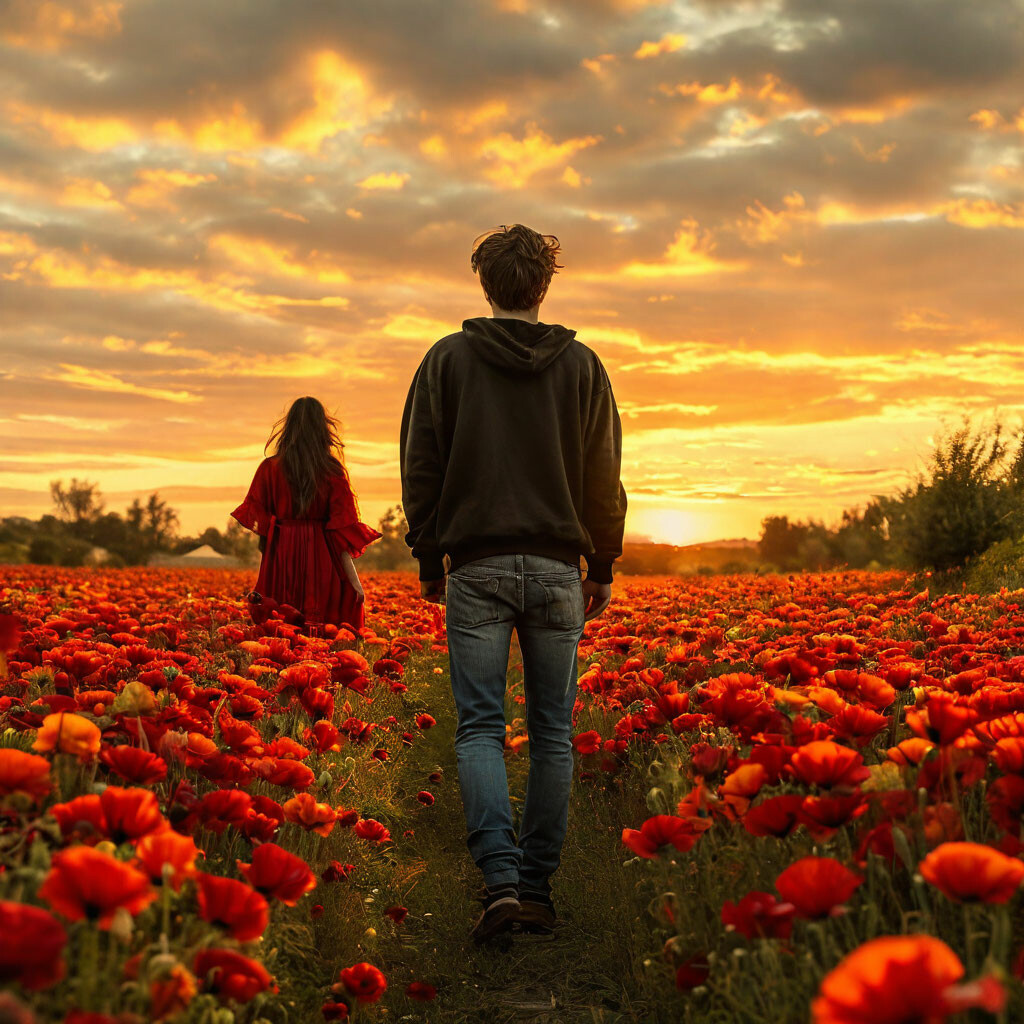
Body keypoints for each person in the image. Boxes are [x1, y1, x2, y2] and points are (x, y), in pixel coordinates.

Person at [400, 223, 627, 943]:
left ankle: (498, 885)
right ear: (544, 284)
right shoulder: (584, 366)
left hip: (477, 564)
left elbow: (421, 465)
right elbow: (603, 473)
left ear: (484, 282)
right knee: (554, 732)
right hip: (560, 567)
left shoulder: (446, 360)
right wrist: (605, 563)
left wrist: (430, 559)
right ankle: (537, 891)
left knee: (479, 728)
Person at [231, 396, 381, 634]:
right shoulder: (331, 470)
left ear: (288, 428)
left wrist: (271, 563)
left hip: (281, 554)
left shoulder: (269, 468)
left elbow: (263, 528)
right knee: (321, 631)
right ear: (323, 429)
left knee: (281, 628)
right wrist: (354, 583)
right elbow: (340, 531)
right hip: (321, 556)